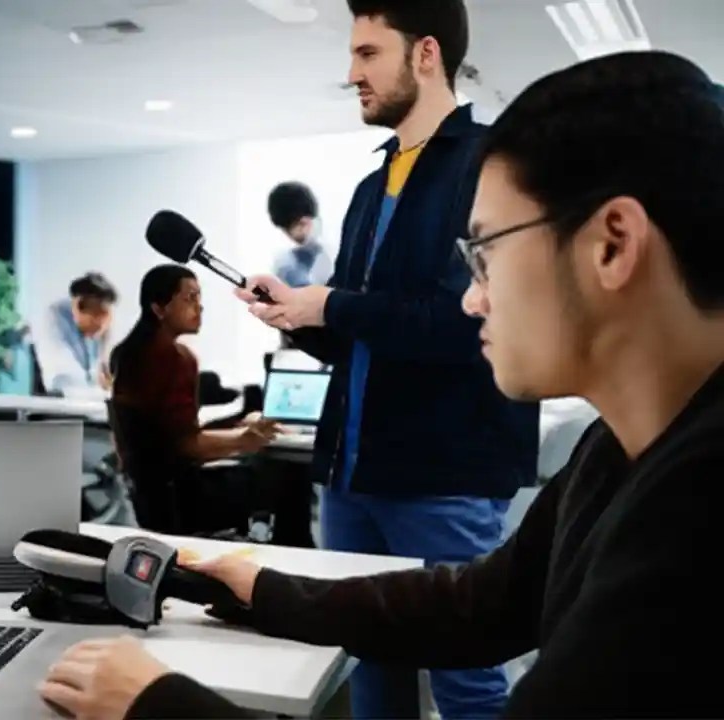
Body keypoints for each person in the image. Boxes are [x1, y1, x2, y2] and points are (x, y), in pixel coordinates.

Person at [36, 49, 724, 720]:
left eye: (486, 252)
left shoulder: (694, 518)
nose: (472, 298)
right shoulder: (619, 449)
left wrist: (157, 705)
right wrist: (270, 591)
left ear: (611, 244)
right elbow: (482, 603)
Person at [236, 2, 546, 716]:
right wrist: (299, 316)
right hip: (353, 475)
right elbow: (360, 335)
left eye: (368, 54)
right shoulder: (370, 189)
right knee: (366, 666)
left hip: (445, 474)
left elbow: (465, 322)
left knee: (465, 677)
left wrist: (331, 306)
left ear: (426, 54)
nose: (353, 73)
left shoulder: (489, 166)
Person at [107, 265, 282, 536]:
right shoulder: (174, 358)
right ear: (159, 308)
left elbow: (165, 434)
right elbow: (187, 445)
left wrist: (237, 430)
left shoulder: (125, 353)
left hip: (149, 499)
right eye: (190, 298)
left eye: (199, 298)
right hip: (180, 498)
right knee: (278, 473)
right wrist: (243, 439)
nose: (199, 307)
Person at [35, 272, 118, 396]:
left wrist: (105, 351)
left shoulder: (98, 328)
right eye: (96, 316)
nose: (101, 326)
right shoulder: (54, 318)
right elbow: (67, 381)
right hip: (62, 398)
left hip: (87, 398)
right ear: (77, 306)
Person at [267, 181, 333, 290]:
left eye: (302, 224)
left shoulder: (333, 253)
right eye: (287, 230)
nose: (295, 234)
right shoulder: (284, 264)